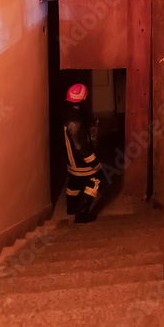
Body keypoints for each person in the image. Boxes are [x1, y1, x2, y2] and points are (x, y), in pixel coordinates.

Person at [62, 83, 102, 223]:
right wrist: (94, 162)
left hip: (71, 159)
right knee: (96, 181)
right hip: (81, 161)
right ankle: (81, 214)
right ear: (83, 98)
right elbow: (81, 146)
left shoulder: (68, 113)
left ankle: (71, 208)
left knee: (73, 182)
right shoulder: (76, 122)